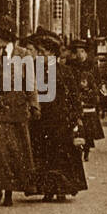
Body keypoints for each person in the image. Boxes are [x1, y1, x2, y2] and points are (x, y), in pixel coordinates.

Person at [0, 20, 37, 206]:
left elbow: (31, 82)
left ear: (6, 37)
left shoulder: (23, 55)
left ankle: (9, 192)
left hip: (16, 110)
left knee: (14, 151)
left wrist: (34, 105)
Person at [29, 34, 86, 202]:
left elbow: (74, 96)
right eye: (39, 53)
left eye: (44, 53)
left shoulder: (65, 72)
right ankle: (47, 189)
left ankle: (62, 189)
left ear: (53, 54)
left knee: (62, 155)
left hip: (61, 119)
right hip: (42, 119)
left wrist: (75, 116)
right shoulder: (36, 71)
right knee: (45, 154)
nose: (40, 56)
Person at [69, 40, 104, 159]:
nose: (80, 55)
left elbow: (98, 81)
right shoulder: (71, 65)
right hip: (76, 96)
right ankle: (80, 147)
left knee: (88, 127)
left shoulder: (92, 65)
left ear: (86, 53)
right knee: (78, 126)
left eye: (82, 52)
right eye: (77, 52)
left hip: (89, 98)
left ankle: (87, 149)